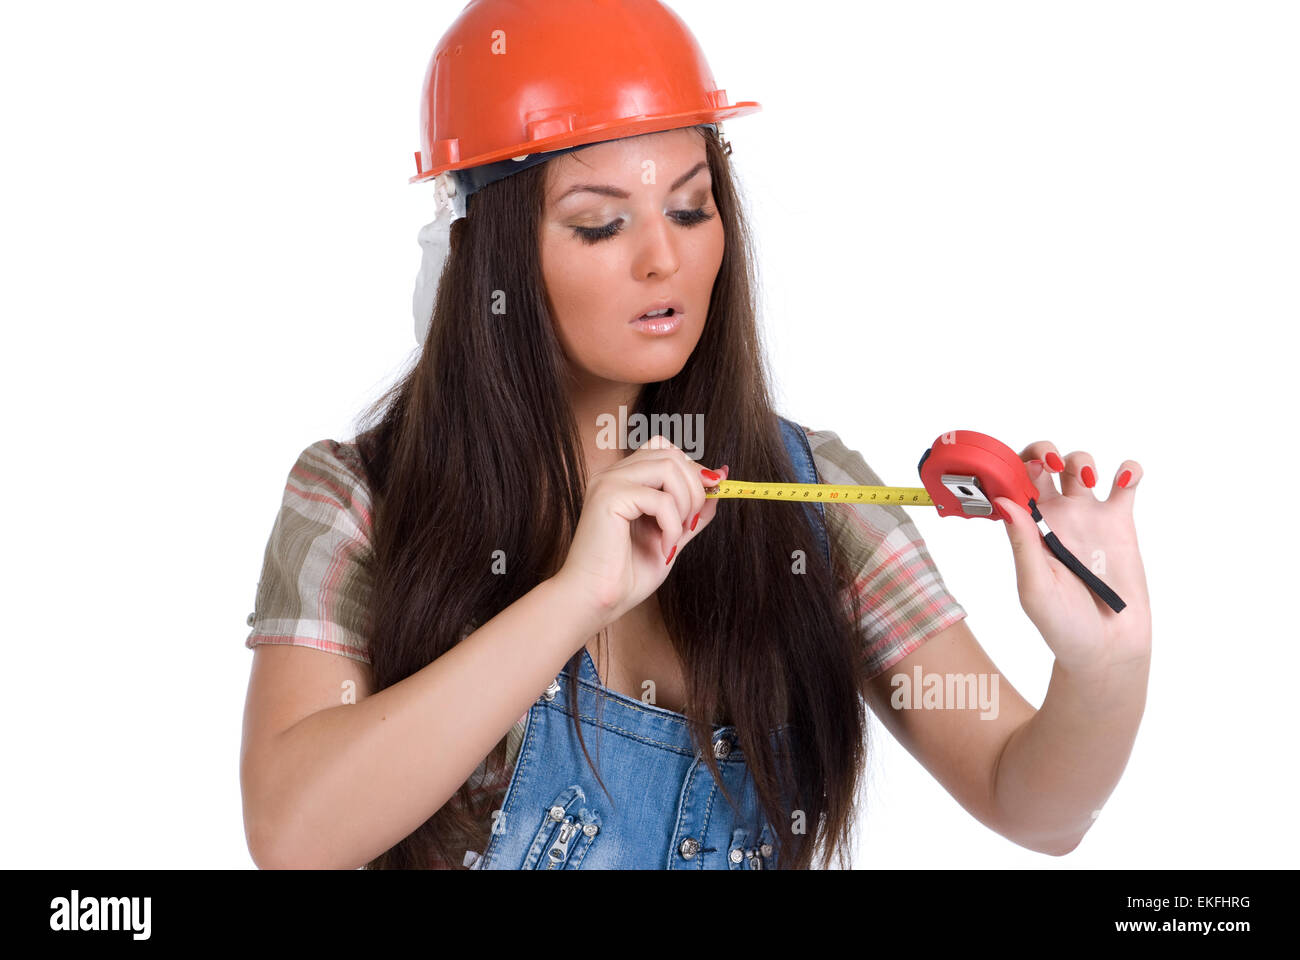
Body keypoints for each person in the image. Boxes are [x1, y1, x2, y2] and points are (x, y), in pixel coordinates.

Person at [239, 0, 1152, 870]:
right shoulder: (360, 499)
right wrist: (575, 598)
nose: (663, 259)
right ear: (487, 255)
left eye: (690, 207)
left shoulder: (814, 498)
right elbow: (294, 833)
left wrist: (1104, 666)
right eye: (600, 224)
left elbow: (1031, 802)